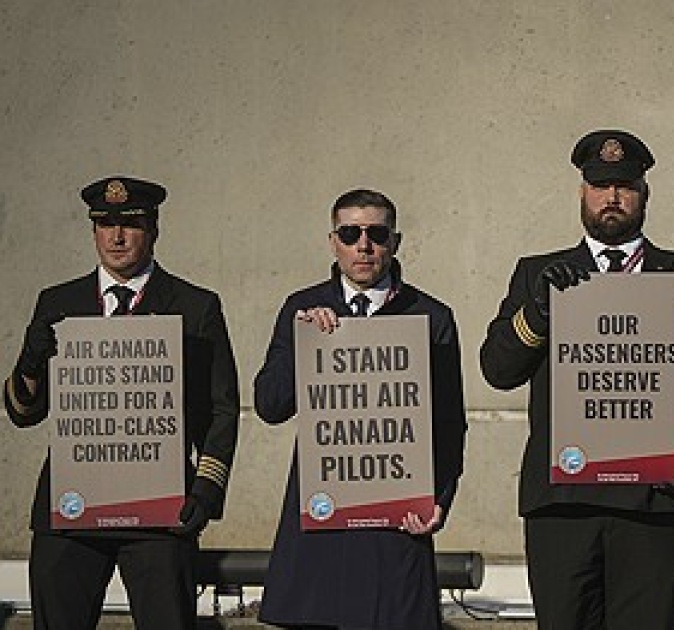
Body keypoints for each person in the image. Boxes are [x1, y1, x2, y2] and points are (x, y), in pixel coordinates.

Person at [479, 129, 674, 629]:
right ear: (582, 193)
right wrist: (539, 312)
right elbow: (497, 369)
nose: (613, 197)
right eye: (600, 186)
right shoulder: (540, 273)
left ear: (645, 194)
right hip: (563, 504)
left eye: (625, 185)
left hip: (654, 502)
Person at [3, 176, 240, 629]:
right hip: (70, 510)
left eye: (130, 225)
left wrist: (205, 492)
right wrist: (31, 363)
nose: (116, 237)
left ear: (153, 229)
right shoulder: (58, 302)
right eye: (105, 224)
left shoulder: (195, 306)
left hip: (159, 510)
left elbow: (221, 410)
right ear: (93, 230)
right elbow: (23, 413)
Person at [254, 188, 467, 629]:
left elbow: (449, 423)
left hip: (396, 521)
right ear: (333, 241)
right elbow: (269, 405)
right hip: (321, 525)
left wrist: (439, 500)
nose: (363, 245)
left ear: (395, 241)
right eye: (350, 233)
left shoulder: (431, 316)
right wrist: (304, 345)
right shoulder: (302, 308)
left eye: (376, 233)